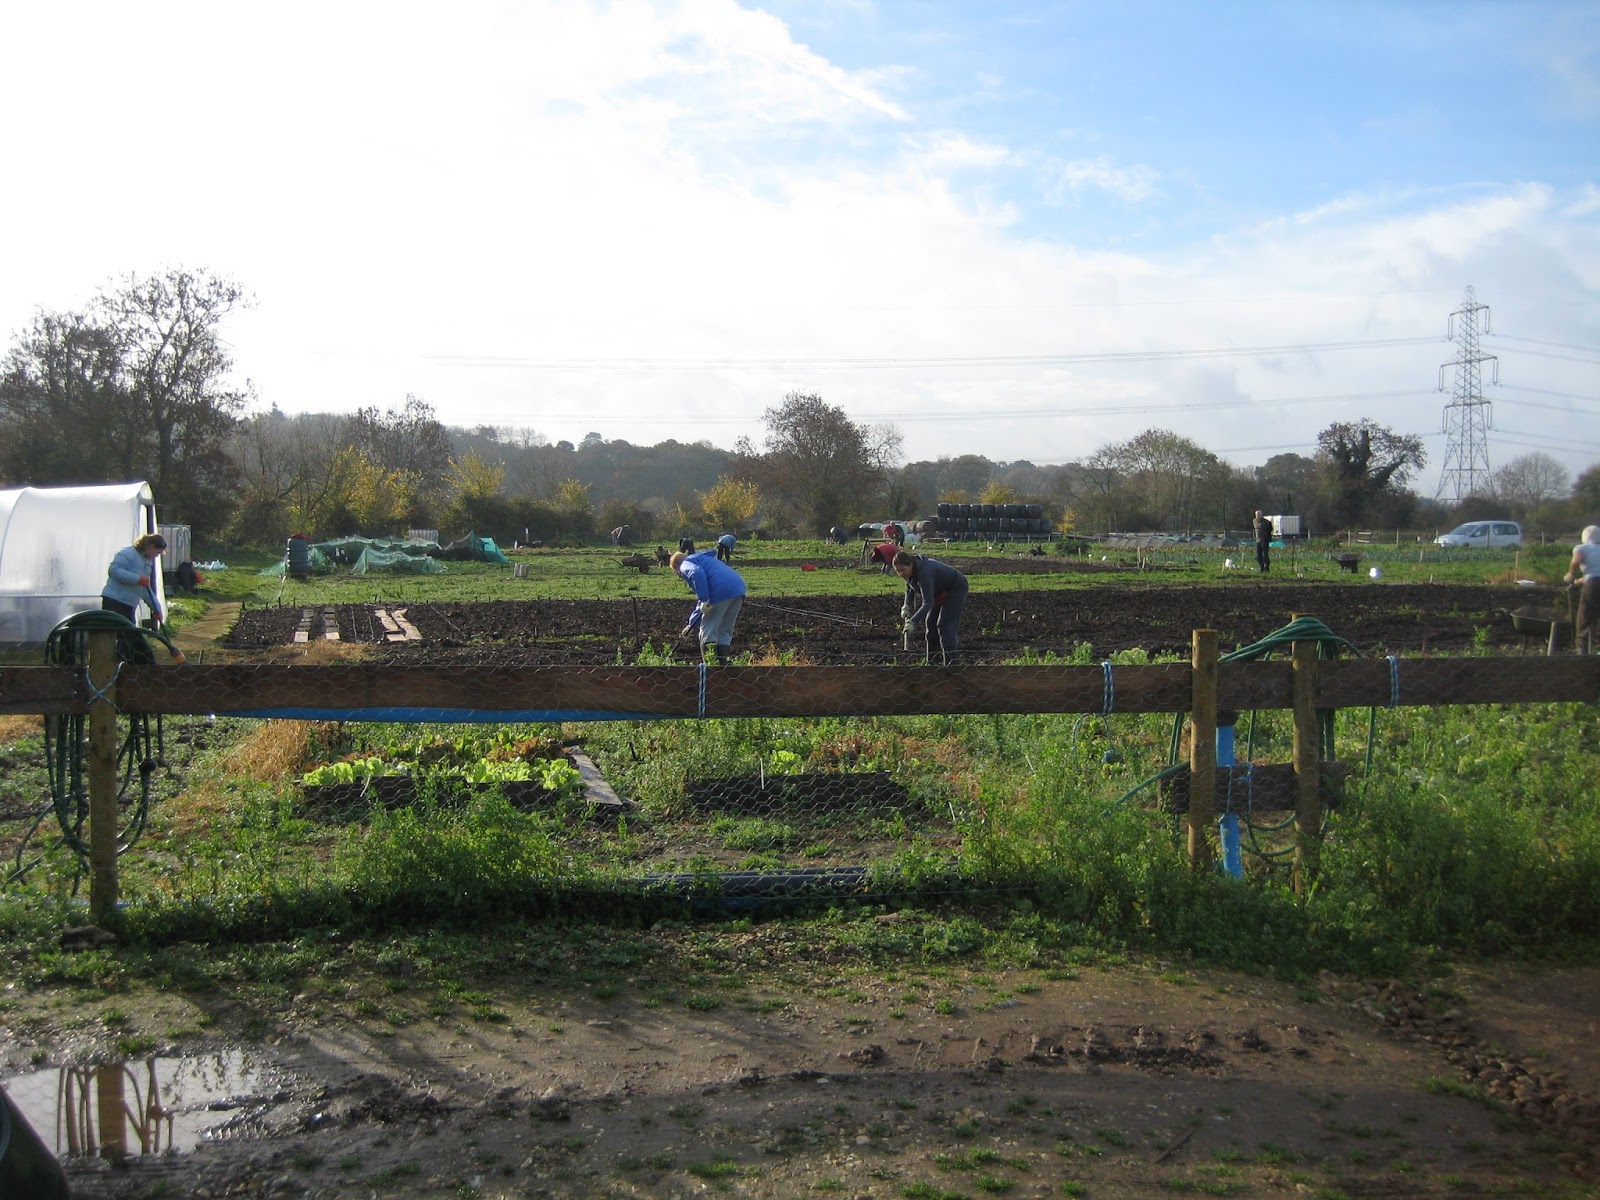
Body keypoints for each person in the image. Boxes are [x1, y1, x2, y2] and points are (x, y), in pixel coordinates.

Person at [893, 548, 968, 664]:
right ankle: (932, 664)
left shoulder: (924, 572)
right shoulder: (911, 572)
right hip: (939, 590)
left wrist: (912, 622)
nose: (901, 574)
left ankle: (951, 665)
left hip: (955, 587)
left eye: (903, 570)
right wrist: (906, 605)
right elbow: (910, 587)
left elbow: (928, 603)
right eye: (898, 571)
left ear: (910, 564)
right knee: (930, 623)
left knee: (944, 625)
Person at [672, 548, 746, 664]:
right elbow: (702, 603)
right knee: (725, 629)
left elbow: (696, 573)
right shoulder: (704, 559)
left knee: (707, 630)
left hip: (720, 590)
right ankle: (723, 666)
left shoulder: (685, 564)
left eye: (677, 574)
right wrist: (692, 624)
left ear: (676, 565)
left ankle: (710, 666)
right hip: (738, 589)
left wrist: (705, 599)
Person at [102, 533, 167, 625]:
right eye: (157, 552)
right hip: (114, 601)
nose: (157, 556)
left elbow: (145, 589)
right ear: (151, 547)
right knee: (116, 633)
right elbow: (114, 570)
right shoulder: (128, 553)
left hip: (129, 604)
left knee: (129, 636)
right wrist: (138, 579)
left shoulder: (147, 563)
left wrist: (157, 610)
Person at [1563, 524, 1600, 655]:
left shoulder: (1581, 548)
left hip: (1593, 585)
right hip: (1593, 581)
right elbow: (1595, 572)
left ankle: (1582, 650)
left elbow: (1576, 561)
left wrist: (1571, 574)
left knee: (1585, 615)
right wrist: (1578, 581)